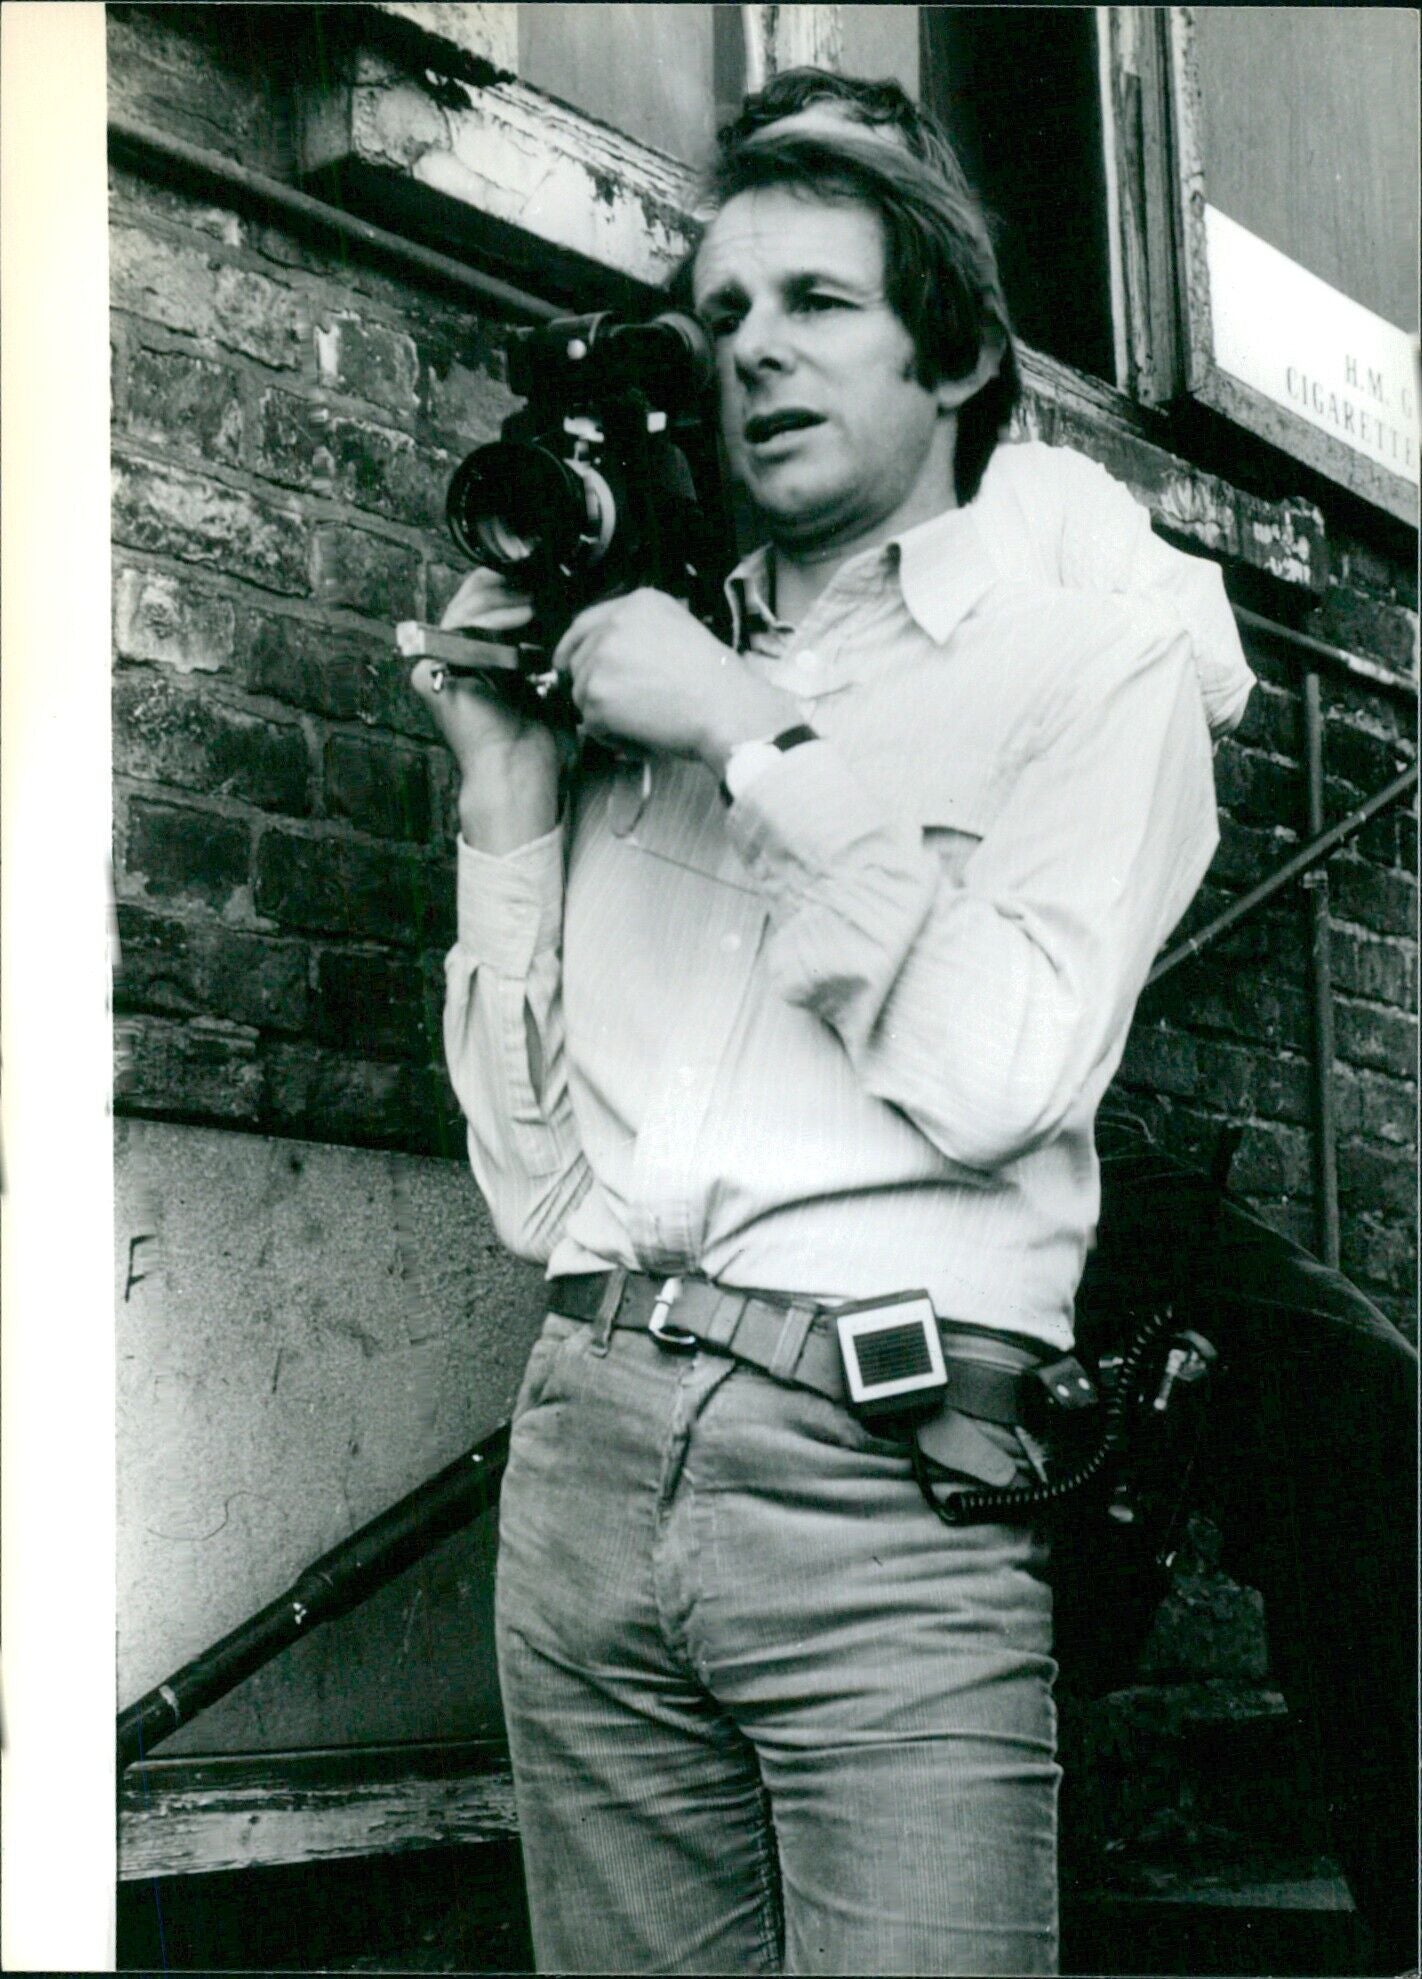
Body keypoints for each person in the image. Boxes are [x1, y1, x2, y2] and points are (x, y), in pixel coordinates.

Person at [413, 106, 1227, 1977]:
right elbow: (540, 1184)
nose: (751, 345)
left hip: (885, 1484)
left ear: (951, 355)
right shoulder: (632, 676)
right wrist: (512, 794)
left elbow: (1001, 1073)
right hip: (589, 1450)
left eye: (816, 302)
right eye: (717, 312)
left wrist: (753, 741)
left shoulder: (1086, 671)